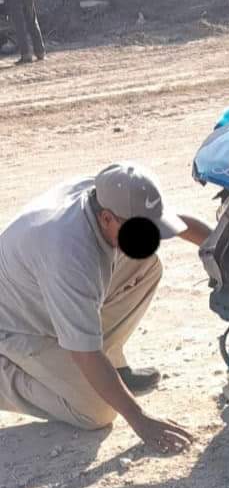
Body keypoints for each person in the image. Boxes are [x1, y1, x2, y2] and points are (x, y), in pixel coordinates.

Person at [0, 163, 213, 451]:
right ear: (106, 218)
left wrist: (223, 250)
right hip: (16, 327)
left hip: (43, 299)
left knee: (145, 264)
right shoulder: (70, 255)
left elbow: (179, 222)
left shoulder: (108, 193)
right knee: (97, 411)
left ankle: (112, 366)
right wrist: (140, 419)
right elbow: (85, 353)